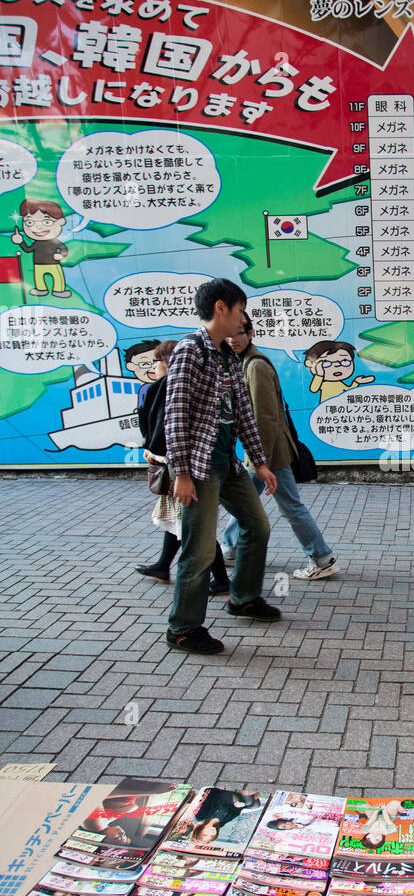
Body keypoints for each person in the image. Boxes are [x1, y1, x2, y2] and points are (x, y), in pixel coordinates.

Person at [164, 277, 279, 654]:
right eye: (240, 309)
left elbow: (243, 413)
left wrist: (260, 463)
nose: (243, 319)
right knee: (198, 549)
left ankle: (243, 598)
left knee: (257, 525)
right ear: (220, 308)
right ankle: (183, 628)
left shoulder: (228, 354)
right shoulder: (190, 350)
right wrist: (181, 473)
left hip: (227, 462)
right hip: (197, 466)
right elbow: (176, 415)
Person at [220, 314, 339, 581]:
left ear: (250, 333)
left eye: (238, 333)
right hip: (264, 452)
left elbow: (264, 418)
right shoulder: (242, 362)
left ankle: (321, 557)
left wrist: (259, 460)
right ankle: (230, 549)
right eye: (228, 334)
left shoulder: (255, 365)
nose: (232, 339)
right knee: (247, 501)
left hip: (268, 452)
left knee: (287, 506)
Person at [135, 340, 230, 594]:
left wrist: (158, 454)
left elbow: (166, 427)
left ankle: (220, 578)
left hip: (181, 467)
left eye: (157, 360)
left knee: (193, 524)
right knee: (182, 519)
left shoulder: (170, 388)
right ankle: (163, 565)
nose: (155, 366)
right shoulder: (174, 386)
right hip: (187, 465)